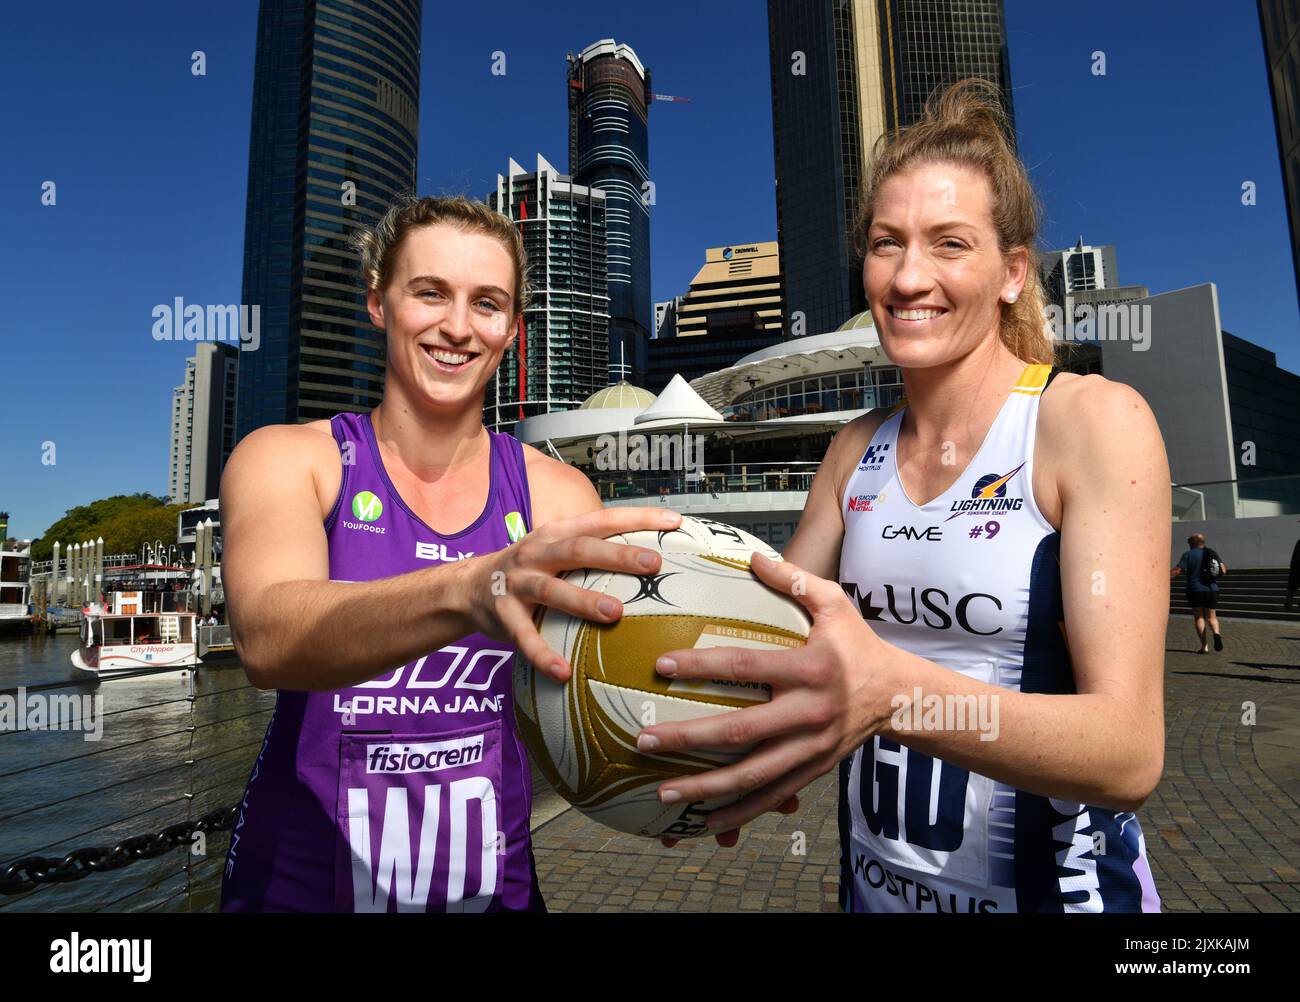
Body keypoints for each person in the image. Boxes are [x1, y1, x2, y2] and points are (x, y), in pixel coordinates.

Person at [637, 79, 1168, 912]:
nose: (909, 275)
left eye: (949, 244)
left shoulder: (1090, 424)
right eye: (887, 243)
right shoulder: (855, 452)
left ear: (1011, 272)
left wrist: (891, 696)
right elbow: (773, 650)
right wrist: (705, 737)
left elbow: (1128, 753)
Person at [218, 195, 682, 912]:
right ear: (378, 301)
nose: (458, 327)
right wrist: (471, 587)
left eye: (487, 303)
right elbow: (269, 638)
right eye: (429, 292)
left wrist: (721, 766)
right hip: (298, 890)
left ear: (514, 331)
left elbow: (626, 684)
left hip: (494, 895)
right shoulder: (290, 459)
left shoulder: (557, 497)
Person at [1172, 532, 1227, 653]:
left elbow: (1177, 571)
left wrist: (1163, 578)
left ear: (1193, 542)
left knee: (1199, 617)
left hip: (1195, 589)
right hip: (1212, 589)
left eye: (1189, 541)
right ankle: (1216, 634)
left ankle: (1204, 646)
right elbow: (1223, 569)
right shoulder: (1212, 553)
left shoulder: (1188, 555)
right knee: (1211, 616)